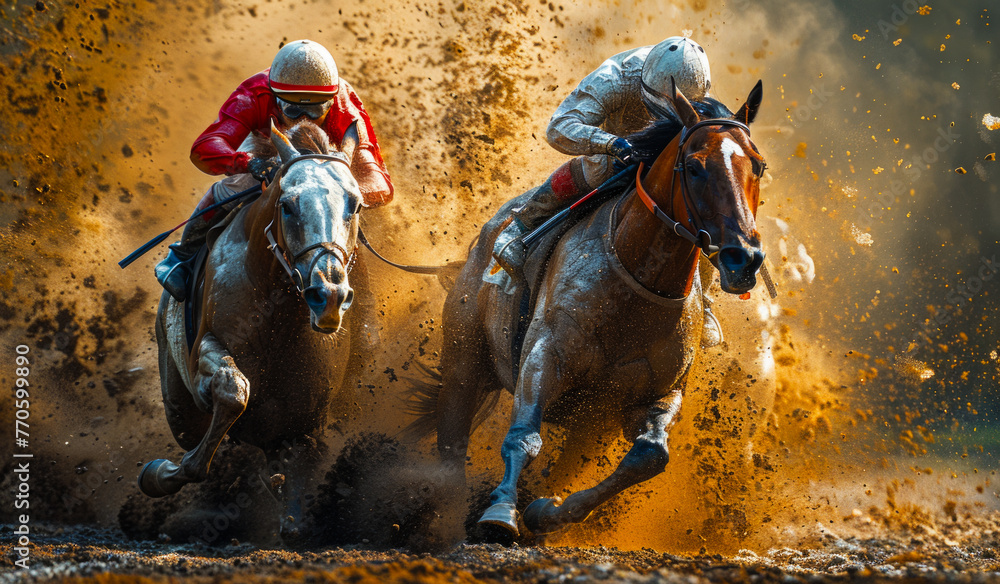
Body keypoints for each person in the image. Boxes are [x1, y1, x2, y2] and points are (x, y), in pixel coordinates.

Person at [491, 36, 725, 347]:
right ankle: (521, 226)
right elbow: (558, 127)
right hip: (615, 149)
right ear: (643, 84)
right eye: (659, 107)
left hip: (667, 162)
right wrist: (610, 143)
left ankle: (704, 300)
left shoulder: (700, 94)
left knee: (697, 201)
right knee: (596, 167)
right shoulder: (615, 77)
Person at [155, 39, 393, 301]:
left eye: (315, 111)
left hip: (326, 158)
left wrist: (344, 189)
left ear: (331, 101)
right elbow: (206, 147)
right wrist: (248, 163)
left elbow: (379, 181)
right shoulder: (254, 94)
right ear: (275, 98)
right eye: (293, 109)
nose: (304, 118)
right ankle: (182, 257)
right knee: (235, 186)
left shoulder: (345, 107)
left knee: (354, 211)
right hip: (267, 146)